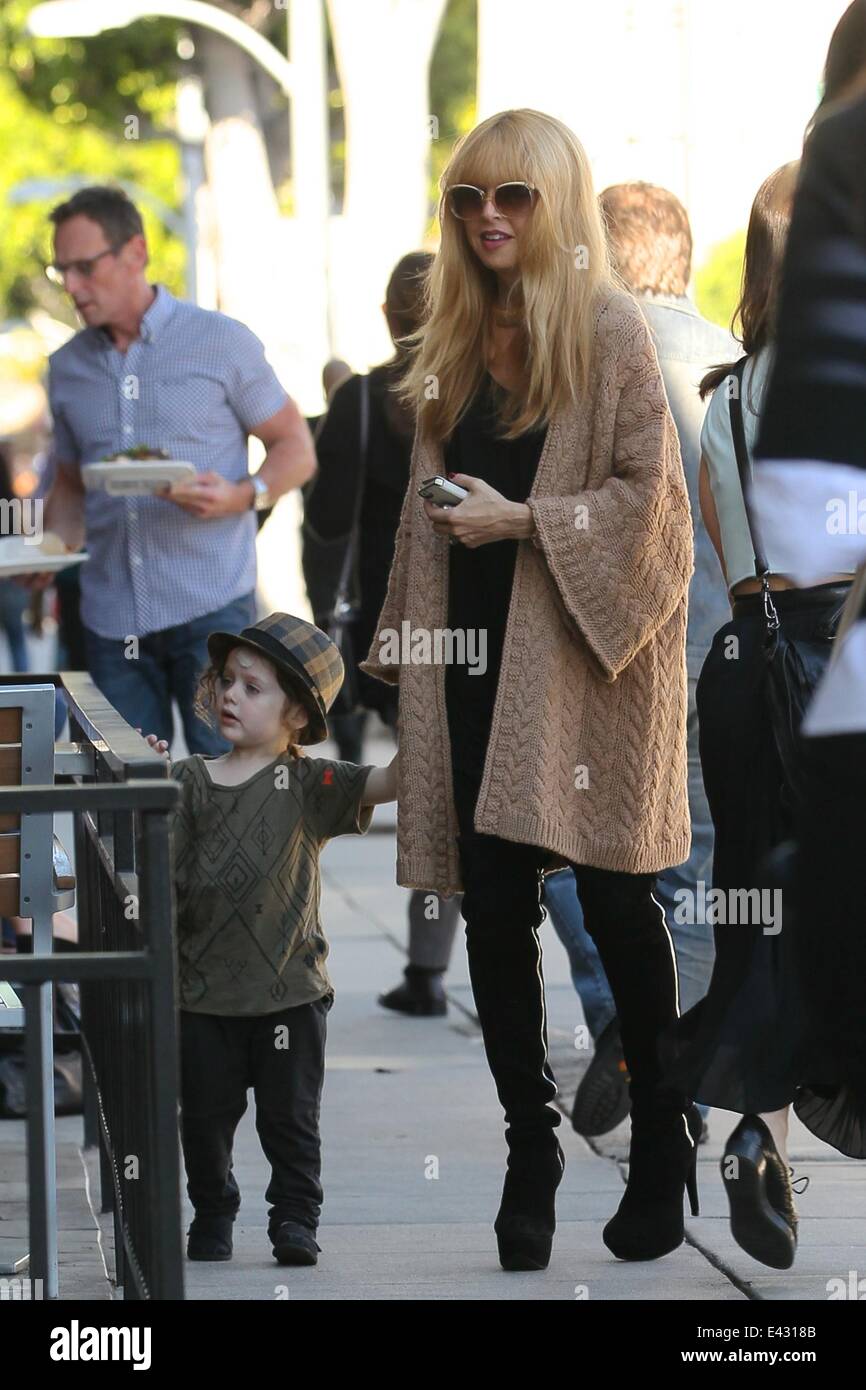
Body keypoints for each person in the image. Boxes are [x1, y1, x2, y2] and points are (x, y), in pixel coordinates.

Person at [360, 108, 699, 1270]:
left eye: (511, 197)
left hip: (585, 668)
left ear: (556, 203)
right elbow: (414, 540)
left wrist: (529, 524)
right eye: (467, 199)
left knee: (614, 905)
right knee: (495, 917)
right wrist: (408, 705)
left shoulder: (609, 332)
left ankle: (661, 1139)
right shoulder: (452, 341)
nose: (488, 218)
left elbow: (657, 509)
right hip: (471, 666)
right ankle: (527, 1149)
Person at [660, 162, 855, 1270]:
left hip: (740, 669)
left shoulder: (723, 397)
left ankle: (752, 1133)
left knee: (759, 911)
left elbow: (721, 544)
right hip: (838, 666)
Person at [547, 184, 735, 1139]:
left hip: (607, 650)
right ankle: (683, 1081)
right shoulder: (738, 365)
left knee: (566, 850)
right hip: (719, 651)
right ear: (687, 258)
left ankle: (624, 1008)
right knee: (697, 872)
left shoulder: (578, 365)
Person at [146, 613, 397, 1266]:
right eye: (227, 681)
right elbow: (153, 866)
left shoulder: (311, 784)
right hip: (202, 995)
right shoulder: (188, 780)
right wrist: (142, 779)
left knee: (290, 1124)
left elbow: (392, 782)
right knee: (202, 1122)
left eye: (252, 687)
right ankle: (213, 1208)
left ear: (295, 715)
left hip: (289, 993)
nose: (230, 695)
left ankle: (294, 1218)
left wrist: (419, 699)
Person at [40, 185, 316, 754]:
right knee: (124, 807)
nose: (71, 285)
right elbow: (70, 485)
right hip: (111, 619)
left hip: (210, 609)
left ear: (135, 252)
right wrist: (46, 552)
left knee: (225, 797)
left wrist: (245, 495)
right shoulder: (65, 368)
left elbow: (295, 446)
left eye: (85, 267)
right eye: (61, 269)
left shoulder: (220, 341)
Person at [307, 252, 462, 1017]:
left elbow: (326, 526)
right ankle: (445, 963)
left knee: (428, 791)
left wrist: (321, 624)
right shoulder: (486, 392)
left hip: (386, 630)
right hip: (478, 625)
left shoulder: (362, 404)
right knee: (464, 791)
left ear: (387, 317)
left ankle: (427, 975)